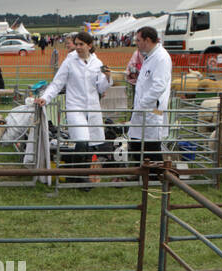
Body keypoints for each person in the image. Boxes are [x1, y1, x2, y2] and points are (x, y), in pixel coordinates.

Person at [35, 31, 110, 181]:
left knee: (91, 145)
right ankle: (77, 176)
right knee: (81, 141)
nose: (78, 47)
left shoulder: (97, 63)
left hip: (92, 108)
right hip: (75, 107)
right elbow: (57, 83)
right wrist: (45, 98)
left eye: (81, 44)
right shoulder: (69, 61)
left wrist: (108, 77)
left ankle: (81, 175)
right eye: (76, 44)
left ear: (89, 45)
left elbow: (101, 88)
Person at [127, 26, 172, 165]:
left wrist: (143, 103)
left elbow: (159, 85)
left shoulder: (161, 58)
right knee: (135, 142)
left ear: (147, 40)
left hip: (153, 109)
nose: (137, 44)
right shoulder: (150, 56)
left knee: (151, 146)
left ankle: (157, 176)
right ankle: (142, 173)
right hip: (144, 108)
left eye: (138, 40)